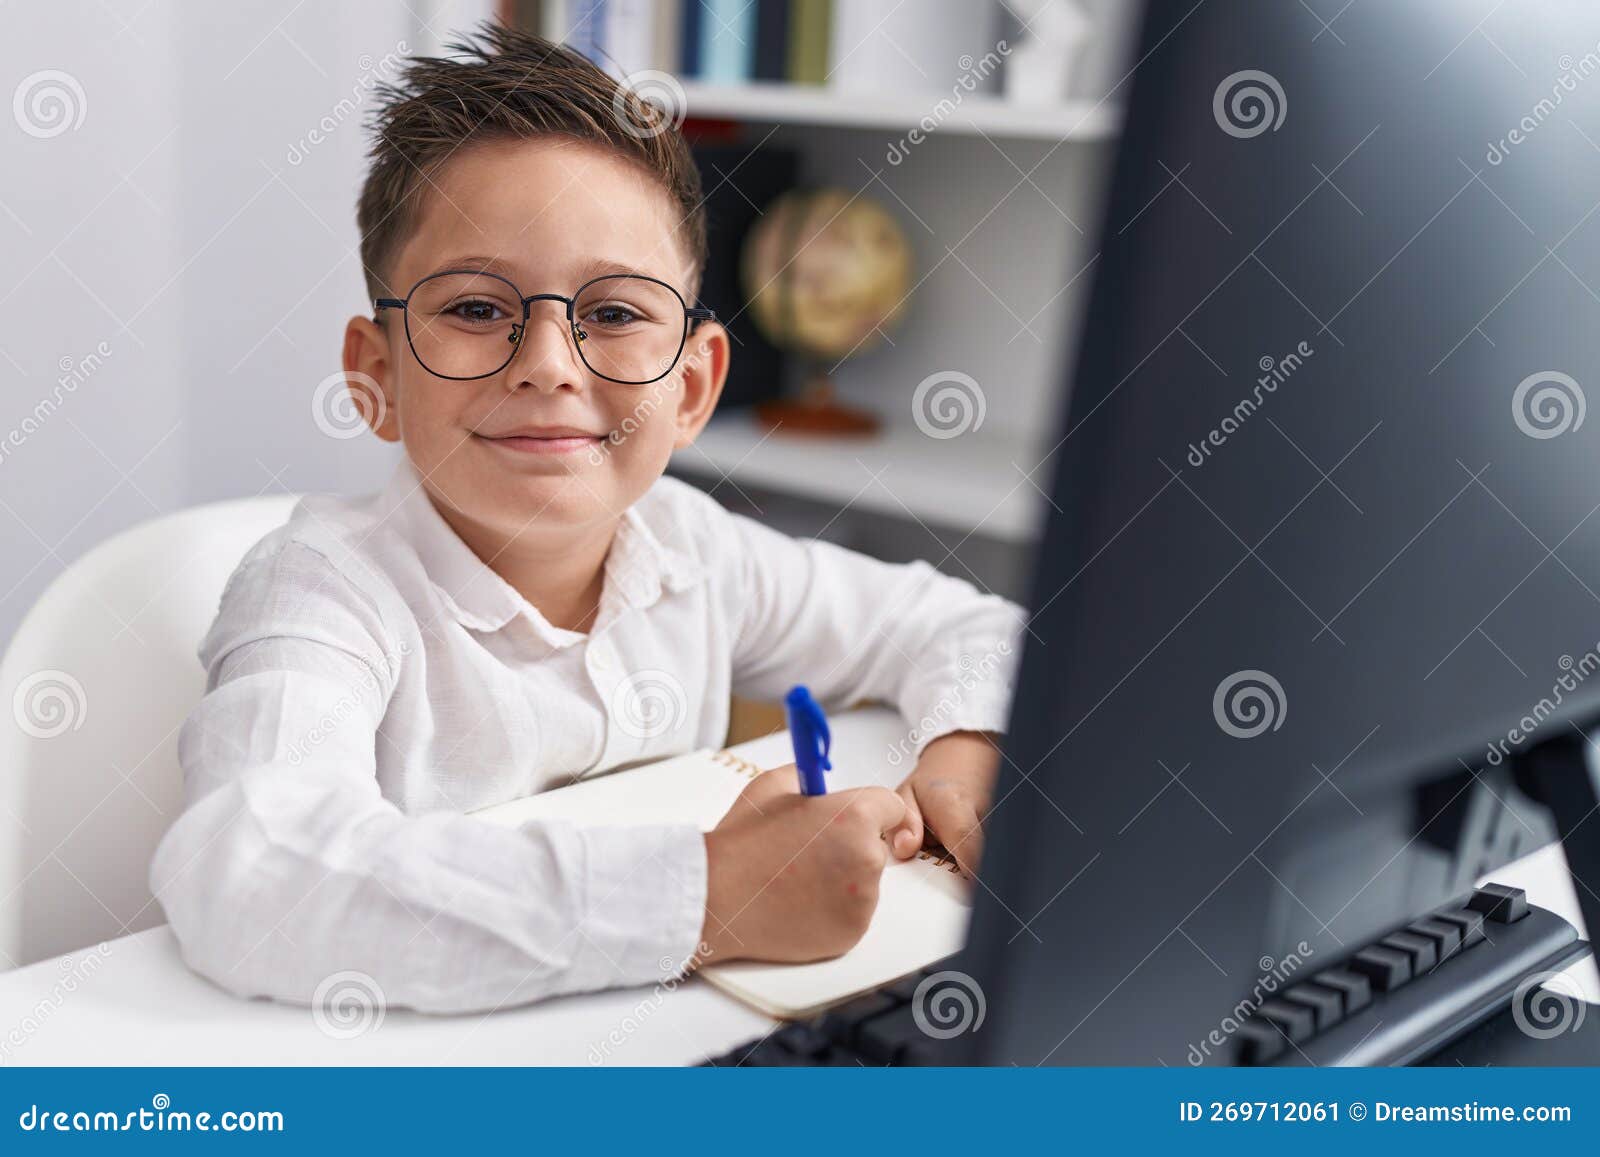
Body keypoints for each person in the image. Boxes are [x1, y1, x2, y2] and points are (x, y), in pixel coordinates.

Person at [149, 25, 1024, 1014]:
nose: (550, 364)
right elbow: (255, 873)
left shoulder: (693, 546)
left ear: (692, 387)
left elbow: (963, 623)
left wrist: (966, 743)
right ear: (376, 373)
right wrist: (715, 897)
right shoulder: (319, 588)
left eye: (613, 314)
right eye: (477, 309)